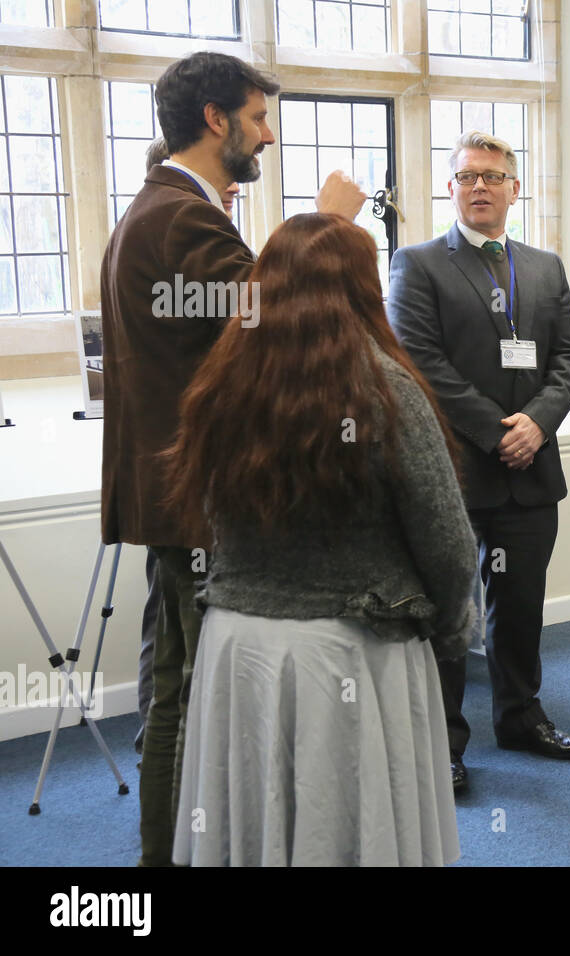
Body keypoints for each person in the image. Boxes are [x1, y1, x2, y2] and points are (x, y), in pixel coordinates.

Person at [100, 51, 365, 866]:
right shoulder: (181, 217)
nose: (268, 134)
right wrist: (328, 229)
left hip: (173, 499)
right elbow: (275, 331)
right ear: (216, 120)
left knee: (175, 694)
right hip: (197, 502)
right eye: (257, 117)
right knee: (189, 703)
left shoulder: (162, 207)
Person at [163, 214, 474, 866]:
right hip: (355, 650)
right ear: (363, 287)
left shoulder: (221, 386)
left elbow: (214, 525)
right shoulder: (388, 388)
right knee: (350, 824)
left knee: (256, 822)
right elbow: (448, 546)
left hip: (238, 645)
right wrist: (448, 630)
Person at [388, 131, 570, 789]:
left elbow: (568, 358)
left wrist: (536, 423)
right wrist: (493, 429)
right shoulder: (417, 264)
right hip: (455, 471)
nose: (480, 186)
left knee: (521, 605)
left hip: (532, 470)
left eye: (493, 176)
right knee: (450, 611)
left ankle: (521, 717)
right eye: (468, 176)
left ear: (514, 187)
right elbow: (419, 362)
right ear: (450, 188)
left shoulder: (543, 266)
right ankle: (443, 743)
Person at [133, 136, 241, 758]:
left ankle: (161, 753)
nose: (234, 187)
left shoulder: (156, 217)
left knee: (169, 628)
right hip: (195, 478)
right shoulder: (183, 222)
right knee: (186, 639)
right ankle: (179, 775)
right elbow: (264, 316)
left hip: (176, 481)